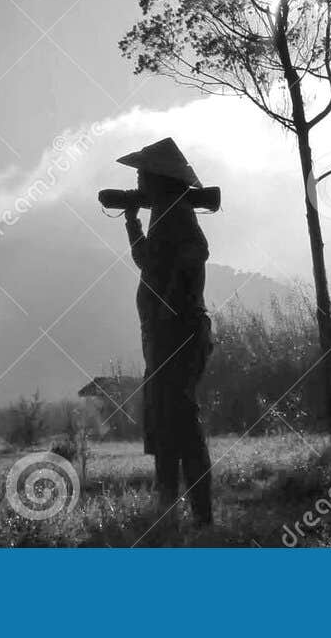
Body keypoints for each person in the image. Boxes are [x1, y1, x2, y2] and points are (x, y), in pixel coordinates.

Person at [117, 138, 213, 525]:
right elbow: (147, 260)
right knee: (164, 419)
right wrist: (131, 220)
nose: (138, 179)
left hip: (179, 334)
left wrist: (170, 302)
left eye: (143, 173)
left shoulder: (179, 218)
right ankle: (168, 509)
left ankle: (200, 516)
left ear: (159, 178)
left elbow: (192, 255)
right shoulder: (166, 215)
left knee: (181, 422)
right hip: (164, 335)